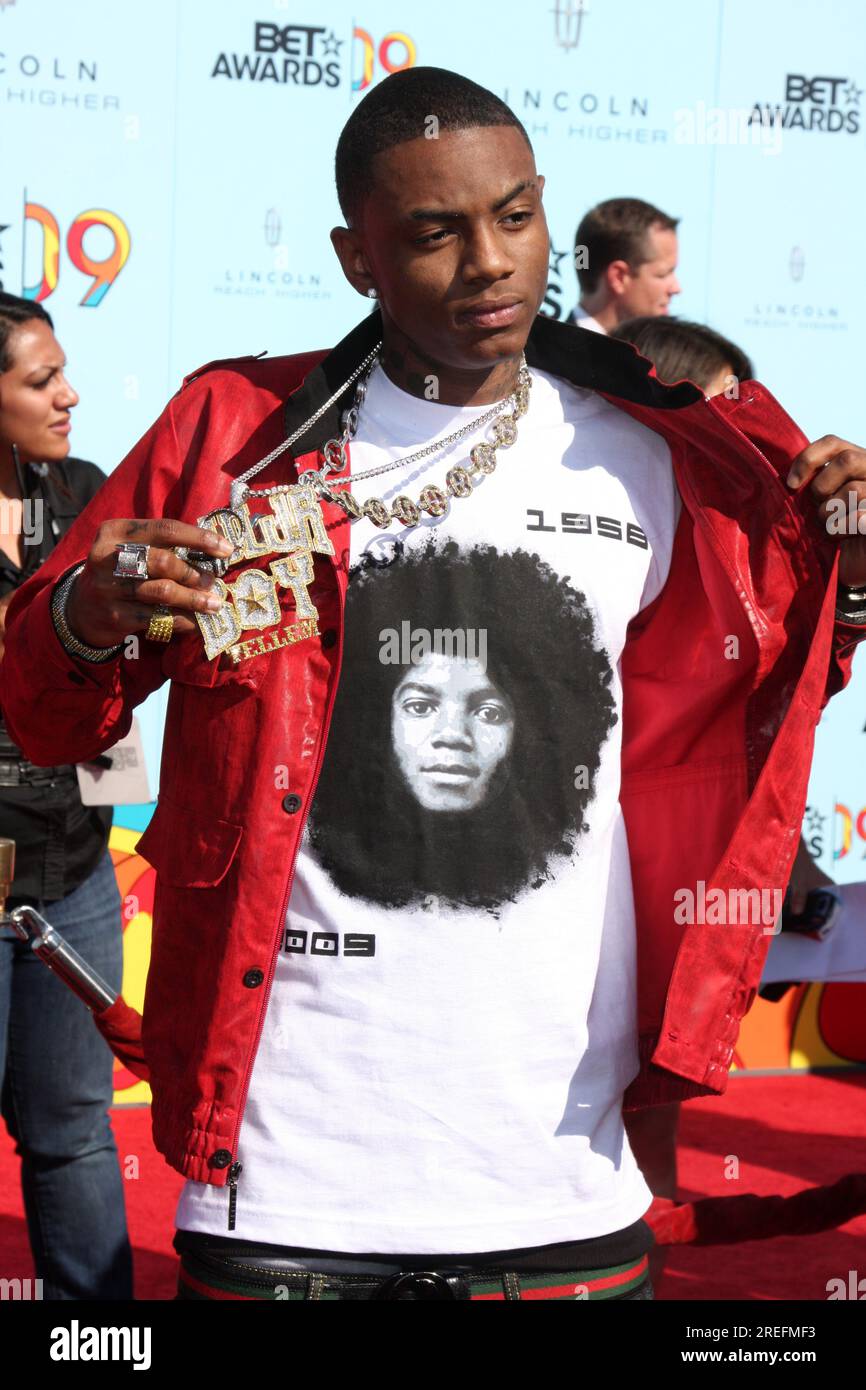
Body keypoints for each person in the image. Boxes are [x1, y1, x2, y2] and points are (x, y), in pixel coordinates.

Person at [2, 67, 866, 1305]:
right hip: (284, 1174)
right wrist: (87, 616)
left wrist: (843, 563)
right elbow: (44, 707)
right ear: (357, 257)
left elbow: (761, 698)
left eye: (512, 217)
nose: (489, 265)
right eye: (433, 233)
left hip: (561, 1172)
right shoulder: (236, 431)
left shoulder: (659, 450)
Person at [0, 292, 133, 1300]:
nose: (70, 394)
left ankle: (98, 1342)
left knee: (75, 1135)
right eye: (41, 381)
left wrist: (116, 826)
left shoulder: (88, 496)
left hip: (75, 873)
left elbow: (113, 695)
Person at [569, 198, 681, 334]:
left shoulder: (659, 351)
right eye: (662, 274)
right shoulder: (551, 352)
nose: (676, 289)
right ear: (618, 277)